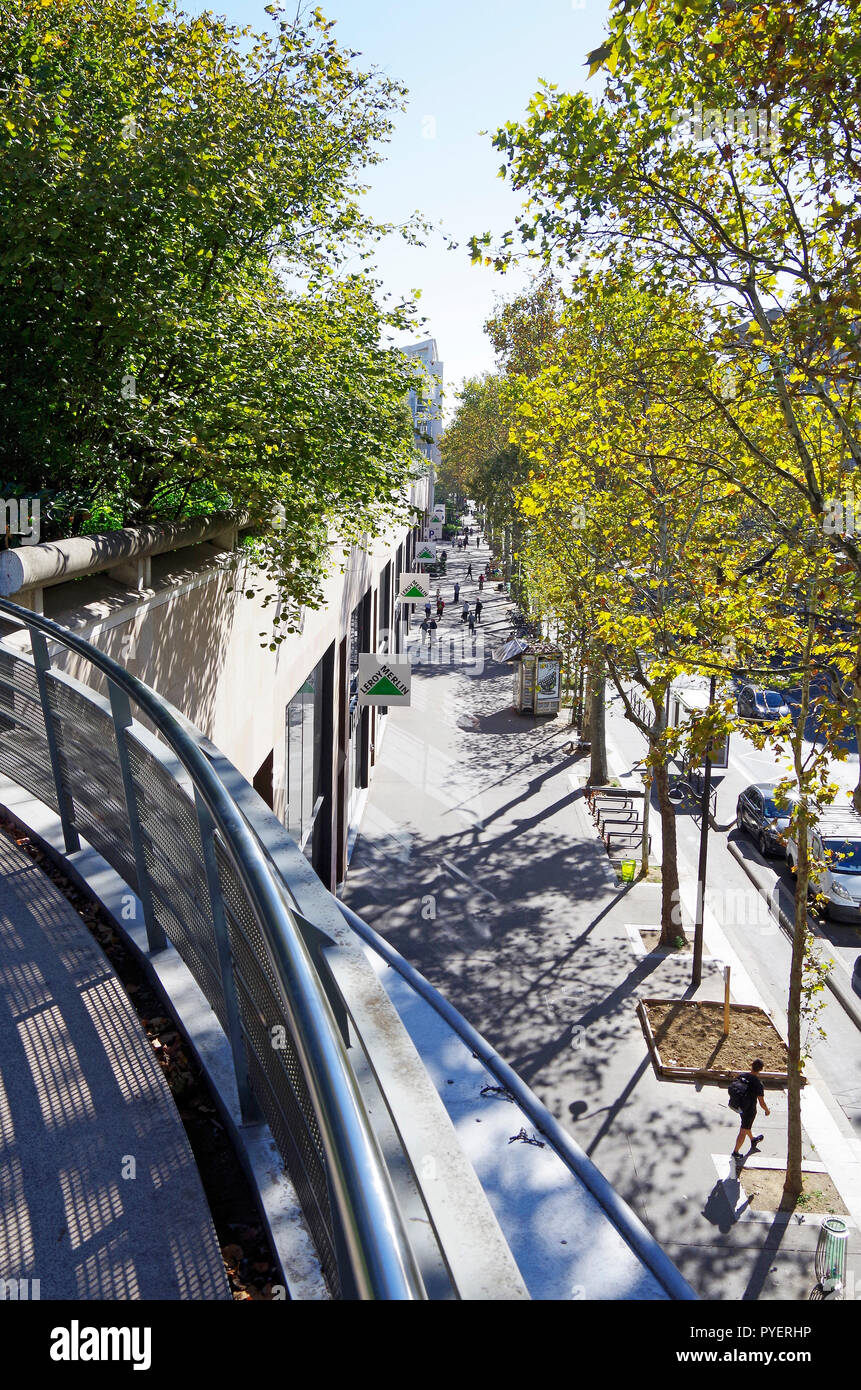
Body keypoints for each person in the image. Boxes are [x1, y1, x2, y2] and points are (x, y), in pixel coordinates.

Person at [731, 1059, 770, 1161]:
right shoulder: (758, 1083)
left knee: (746, 1125)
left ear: (751, 1066)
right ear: (761, 1069)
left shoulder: (742, 1075)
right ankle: (735, 1152)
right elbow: (761, 1102)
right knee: (743, 1129)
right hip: (749, 1110)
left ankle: (753, 1140)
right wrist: (767, 1110)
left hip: (739, 1106)